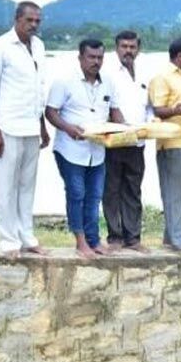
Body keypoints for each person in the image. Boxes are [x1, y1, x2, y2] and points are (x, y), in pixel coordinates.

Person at [45, 39, 125, 259]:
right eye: (91, 57)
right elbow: (51, 112)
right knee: (77, 194)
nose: (96, 62)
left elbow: (115, 110)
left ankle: (94, 239)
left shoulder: (108, 81)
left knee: (95, 196)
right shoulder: (64, 81)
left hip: (97, 151)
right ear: (80, 58)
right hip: (70, 150)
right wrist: (69, 128)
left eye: (100, 58)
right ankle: (80, 242)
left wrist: (127, 129)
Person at [0, 1, 50, 257]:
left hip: (32, 127)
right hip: (8, 127)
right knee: (6, 187)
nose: (33, 25)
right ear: (17, 19)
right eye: (29, 20)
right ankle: (8, 240)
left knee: (26, 186)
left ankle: (27, 236)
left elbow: (38, 91)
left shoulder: (39, 46)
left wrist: (42, 126)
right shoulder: (0, 46)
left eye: (37, 21)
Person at [148, 38, 181, 253]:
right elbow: (158, 110)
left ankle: (170, 237)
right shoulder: (162, 78)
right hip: (172, 142)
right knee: (174, 192)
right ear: (179, 56)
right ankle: (178, 240)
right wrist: (179, 110)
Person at [102, 30, 150, 252]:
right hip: (115, 141)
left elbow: (148, 107)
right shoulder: (109, 72)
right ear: (116, 48)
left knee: (133, 189)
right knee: (111, 189)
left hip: (138, 142)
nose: (128, 51)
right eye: (124, 47)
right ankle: (115, 237)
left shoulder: (144, 74)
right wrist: (124, 128)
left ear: (138, 48)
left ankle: (133, 238)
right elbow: (111, 106)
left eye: (132, 47)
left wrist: (151, 124)